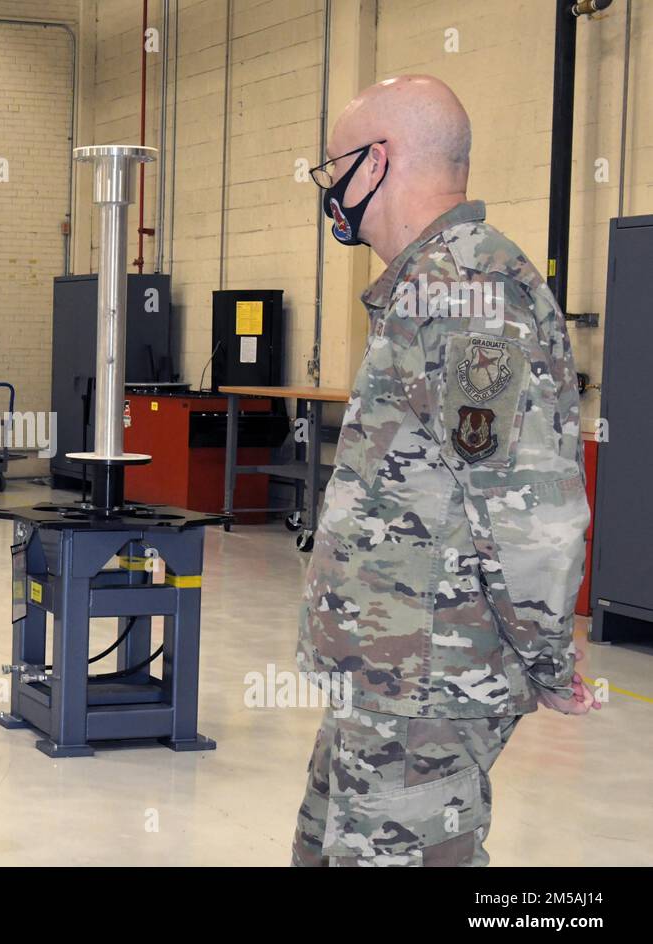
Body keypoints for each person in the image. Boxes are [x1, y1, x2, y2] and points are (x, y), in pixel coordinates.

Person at [292, 76, 597, 867]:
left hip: (428, 680)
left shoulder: (468, 293)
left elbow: (528, 511)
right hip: (387, 672)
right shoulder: (432, 285)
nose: (331, 191)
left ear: (376, 162)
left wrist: (548, 655)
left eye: (335, 169)